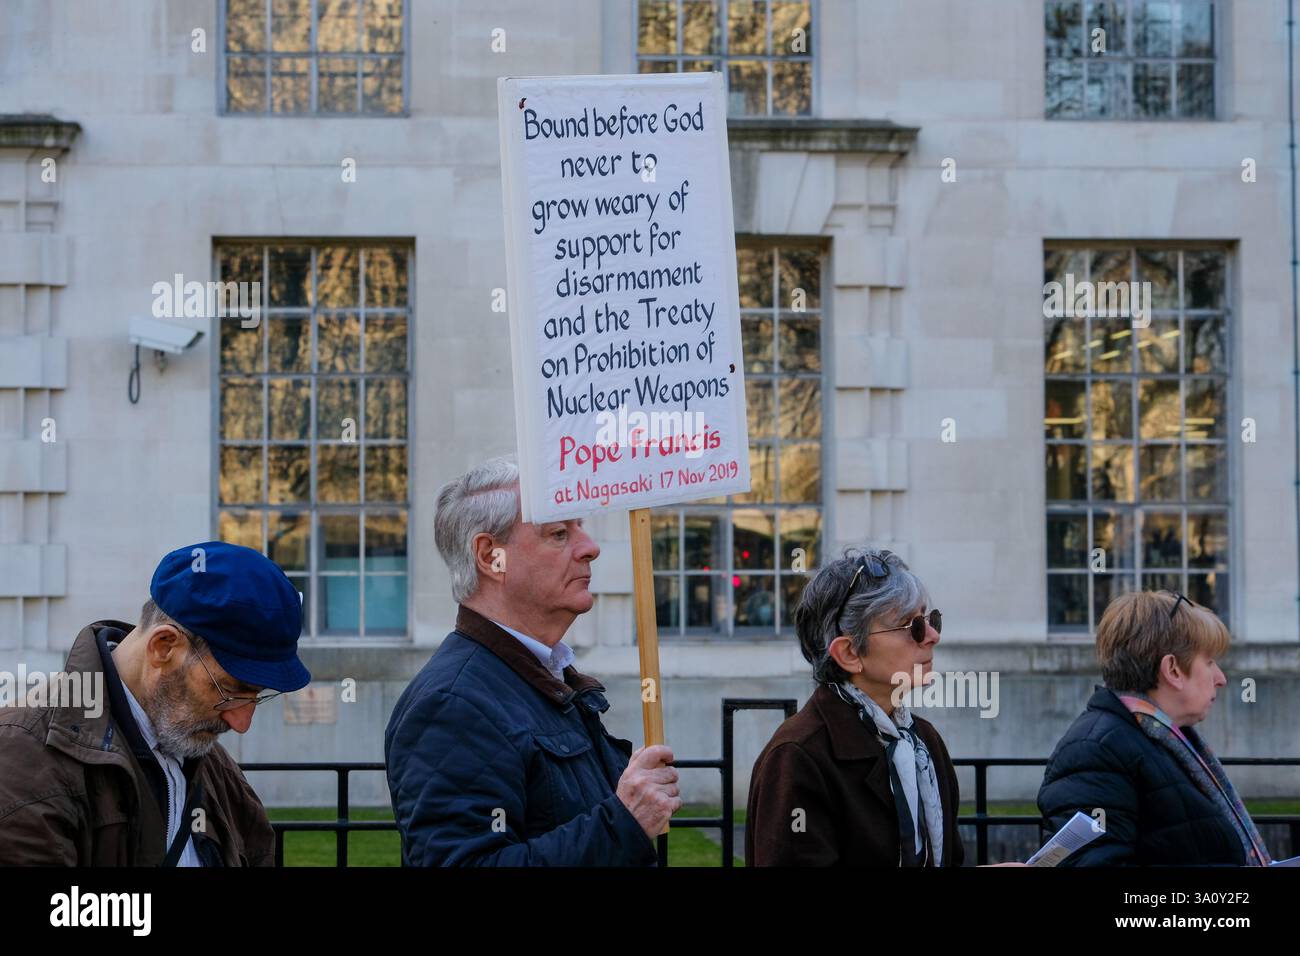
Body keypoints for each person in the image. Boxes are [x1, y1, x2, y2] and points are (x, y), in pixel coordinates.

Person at [385, 456, 680, 866]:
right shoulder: (453, 705)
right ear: (491, 557)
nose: (590, 547)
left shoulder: (540, 677)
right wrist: (622, 822)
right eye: (559, 533)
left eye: (579, 527)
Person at [0, 541, 310, 866]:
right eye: (229, 689)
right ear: (163, 646)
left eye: (256, 697)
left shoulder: (209, 759)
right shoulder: (21, 757)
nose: (241, 722)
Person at [746, 548, 966, 866]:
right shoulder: (798, 756)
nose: (932, 636)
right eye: (911, 626)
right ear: (850, 653)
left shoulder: (924, 743)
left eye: (931, 619)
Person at [1037, 590, 1271, 866]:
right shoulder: (1096, 751)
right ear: (1172, 669)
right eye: (1208, 662)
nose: (1220, 678)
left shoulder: (1158, 738)